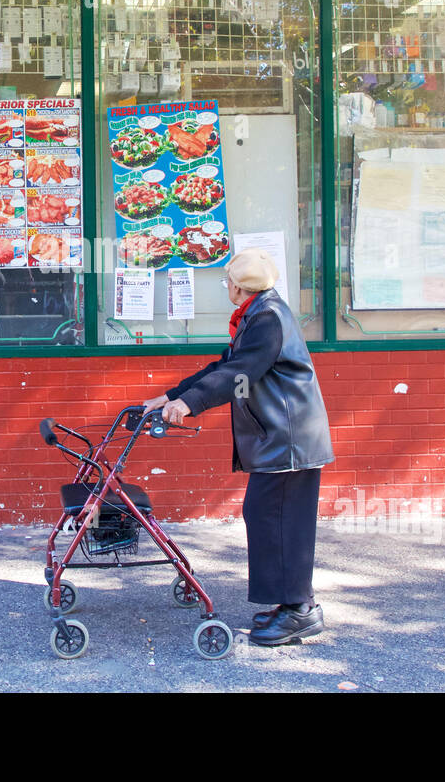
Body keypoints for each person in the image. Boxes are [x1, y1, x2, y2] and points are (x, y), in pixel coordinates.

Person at [144, 249, 334, 646]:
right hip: (283, 437)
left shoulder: (266, 318)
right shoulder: (261, 312)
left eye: (227, 280)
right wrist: (171, 396)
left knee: (276, 518)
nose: (226, 286)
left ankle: (299, 610)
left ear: (238, 286)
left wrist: (190, 404)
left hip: (289, 440)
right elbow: (224, 365)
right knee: (274, 518)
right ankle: (292, 604)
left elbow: (239, 374)